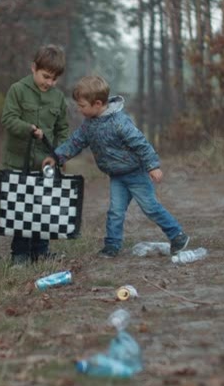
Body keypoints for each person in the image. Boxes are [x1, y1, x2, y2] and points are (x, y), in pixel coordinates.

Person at [42, 75, 190, 258]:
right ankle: (112, 245)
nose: (79, 110)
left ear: (97, 103)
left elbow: (140, 143)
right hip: (117, 176)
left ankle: (177, 235)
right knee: (115, 211)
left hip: (136, 174)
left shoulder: (120, 122)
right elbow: (75, 142)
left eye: (82, 106)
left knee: (150, 208)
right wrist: (57, 157)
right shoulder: (88, 125)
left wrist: (153, 166)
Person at [0, 44, 70, 264]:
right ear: (34, 68)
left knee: (43, 207)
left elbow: (63, 130)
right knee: (21, 207)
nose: (49, 83)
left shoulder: (58, 98)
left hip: (46, 163)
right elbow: (8, 119)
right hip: (18, 161)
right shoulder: (17, 90)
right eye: (46, 76)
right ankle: (19, 254)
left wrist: (61, 155)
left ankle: (41, 251)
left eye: (54, 79)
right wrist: (28, 129)